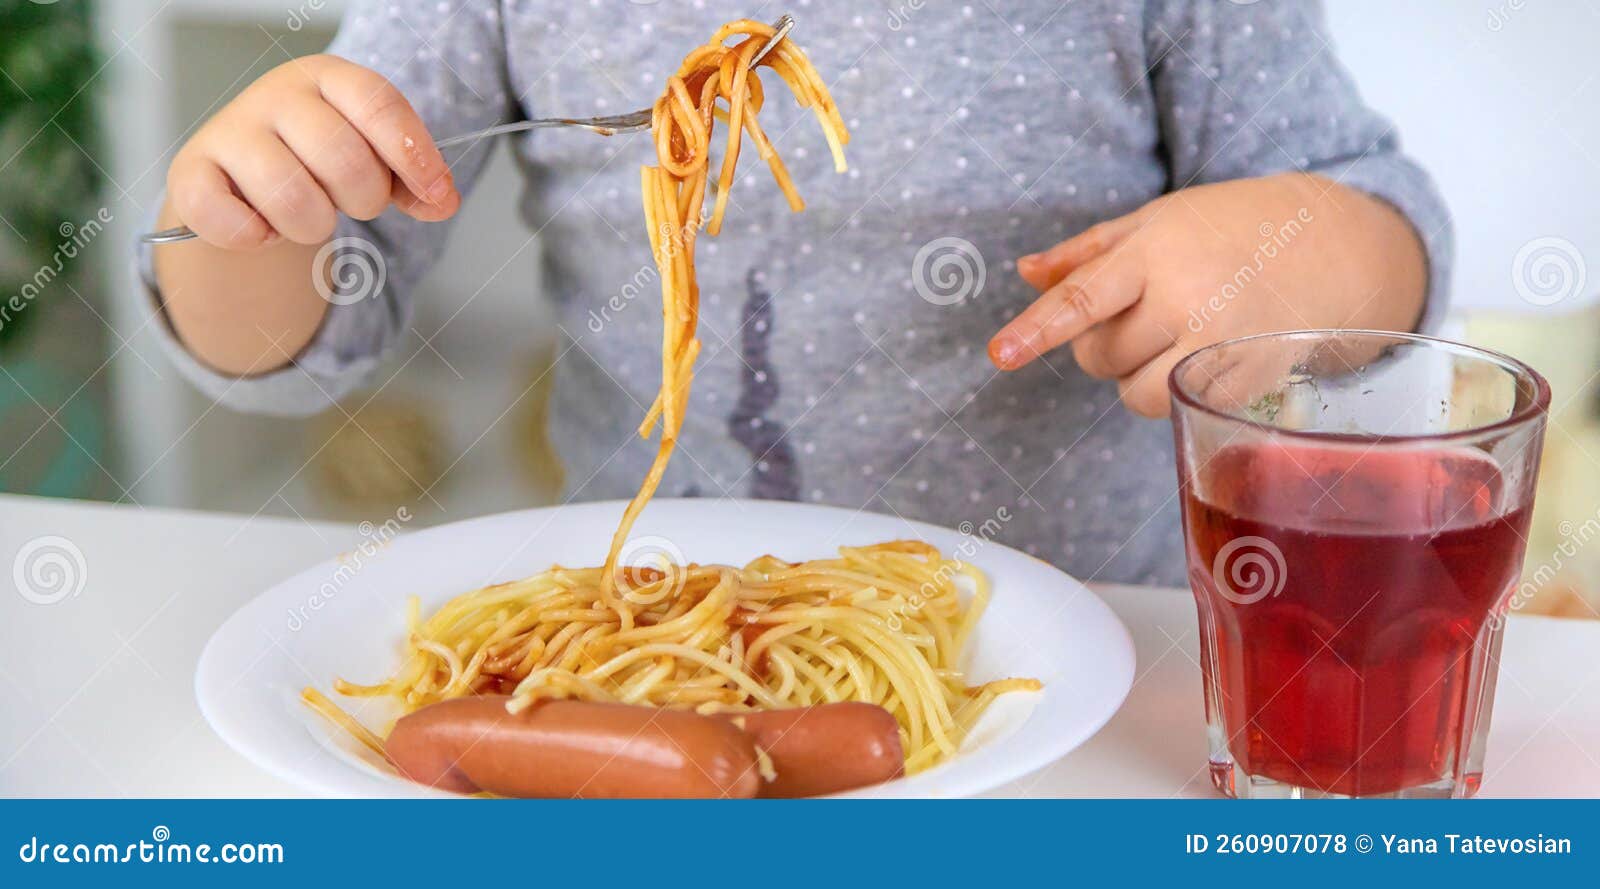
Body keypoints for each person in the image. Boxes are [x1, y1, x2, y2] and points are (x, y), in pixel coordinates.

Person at [139, 1, 1449, 586]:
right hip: (657, 623)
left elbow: (1380, 213)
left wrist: (1300, 250)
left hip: (1089, 638)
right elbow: (316, 328)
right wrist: (245, 218)